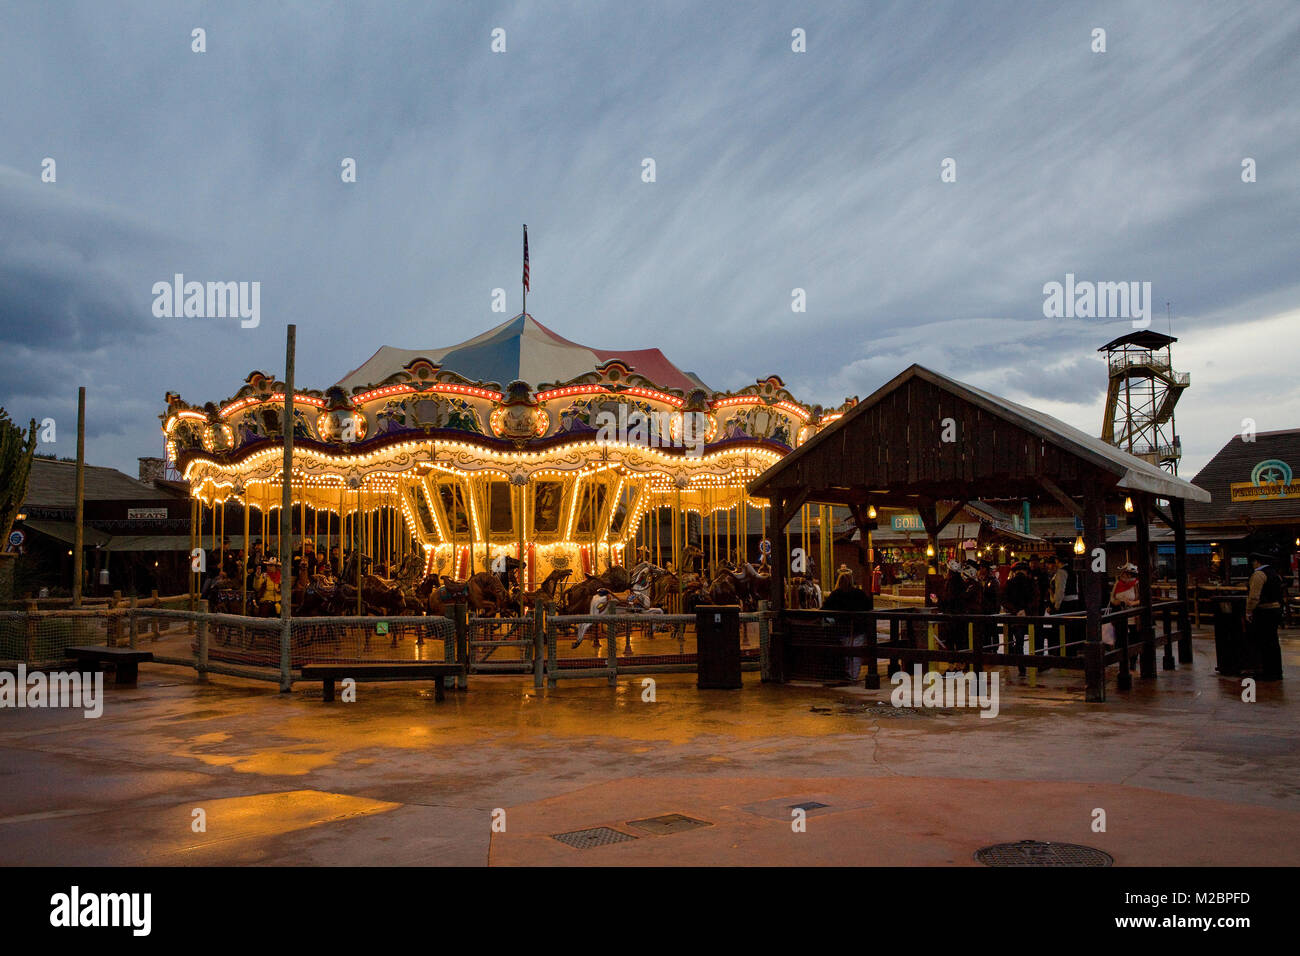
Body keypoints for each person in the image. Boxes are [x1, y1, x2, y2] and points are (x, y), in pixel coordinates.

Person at [822, 569, 872, 680]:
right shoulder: (859, 594)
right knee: (856, 654)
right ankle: (853, 675)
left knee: (845, 654)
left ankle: (847, 674)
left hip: (842, 629)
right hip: (858, 628)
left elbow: (824, 609)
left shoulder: (836, 594)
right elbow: (868, 608)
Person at [1245, 550, 1284, 681]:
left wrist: (1249, 610)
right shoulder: (1275, 574)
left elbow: (1254, 596)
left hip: (1264, 611)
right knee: (1273, 641)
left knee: (1264, 642)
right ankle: (1276, 671)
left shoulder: (1258, 575)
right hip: (1275, 609)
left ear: (1257, 562)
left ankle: (1267, 671)